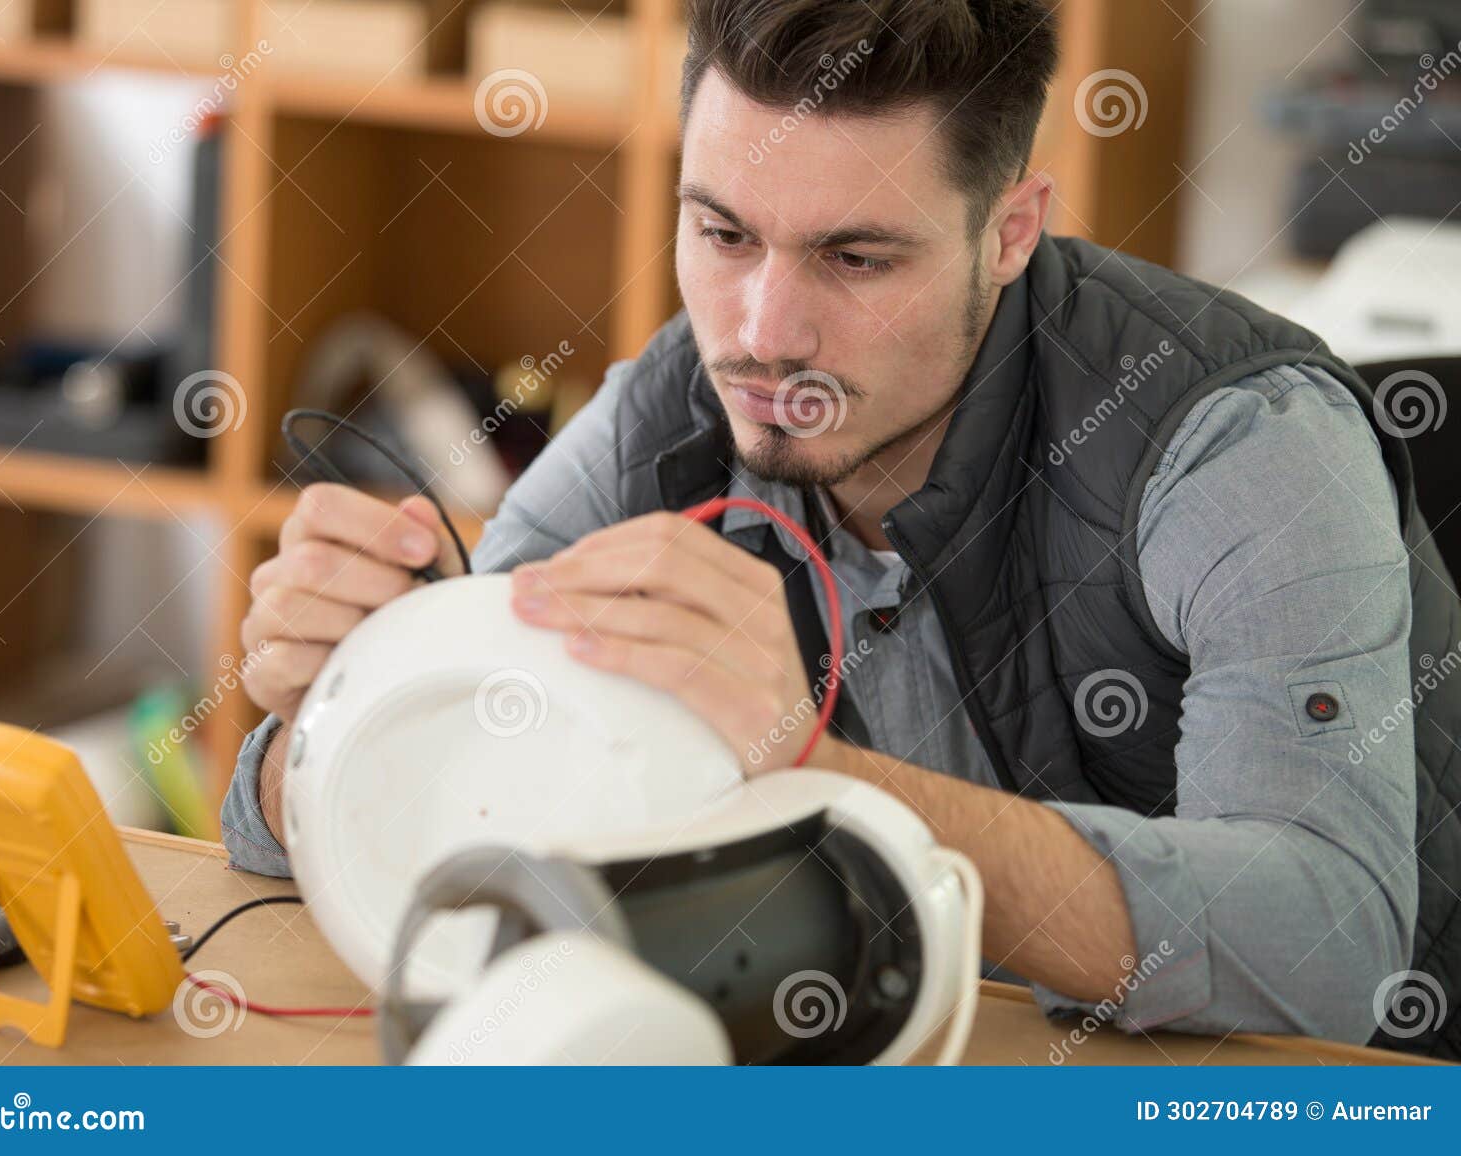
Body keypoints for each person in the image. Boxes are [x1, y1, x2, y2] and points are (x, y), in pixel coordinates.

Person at [221, 0, 1460, 1058]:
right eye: (722, 233)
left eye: (855, 258)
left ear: (1011, 232)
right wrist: (341, 713)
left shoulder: (1242, 442)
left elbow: (1328, 948)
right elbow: (384, 818)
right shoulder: (672, 406)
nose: (764, 331)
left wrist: (805, 772)